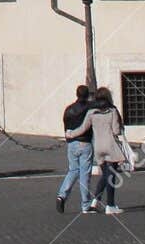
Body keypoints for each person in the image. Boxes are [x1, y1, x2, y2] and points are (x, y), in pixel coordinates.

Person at [65, 87, 128, 215]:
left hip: (98, 146)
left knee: (105, 175)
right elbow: (116, 130)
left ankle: (96, 200)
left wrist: (71, 134)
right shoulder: (112, 111)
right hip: (110, 146)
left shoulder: (91, 112)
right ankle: (110, 205)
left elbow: (83, 128)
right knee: (110, 176)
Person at [55, 84, 94, 214]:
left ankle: (62, 195)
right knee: (84, 174)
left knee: (73, 170)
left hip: (71, 143)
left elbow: (65, 125)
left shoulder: (69, 109)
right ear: (87, 95)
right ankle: (85, 204)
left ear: (77, 95)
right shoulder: (89, 108)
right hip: (85, 142)